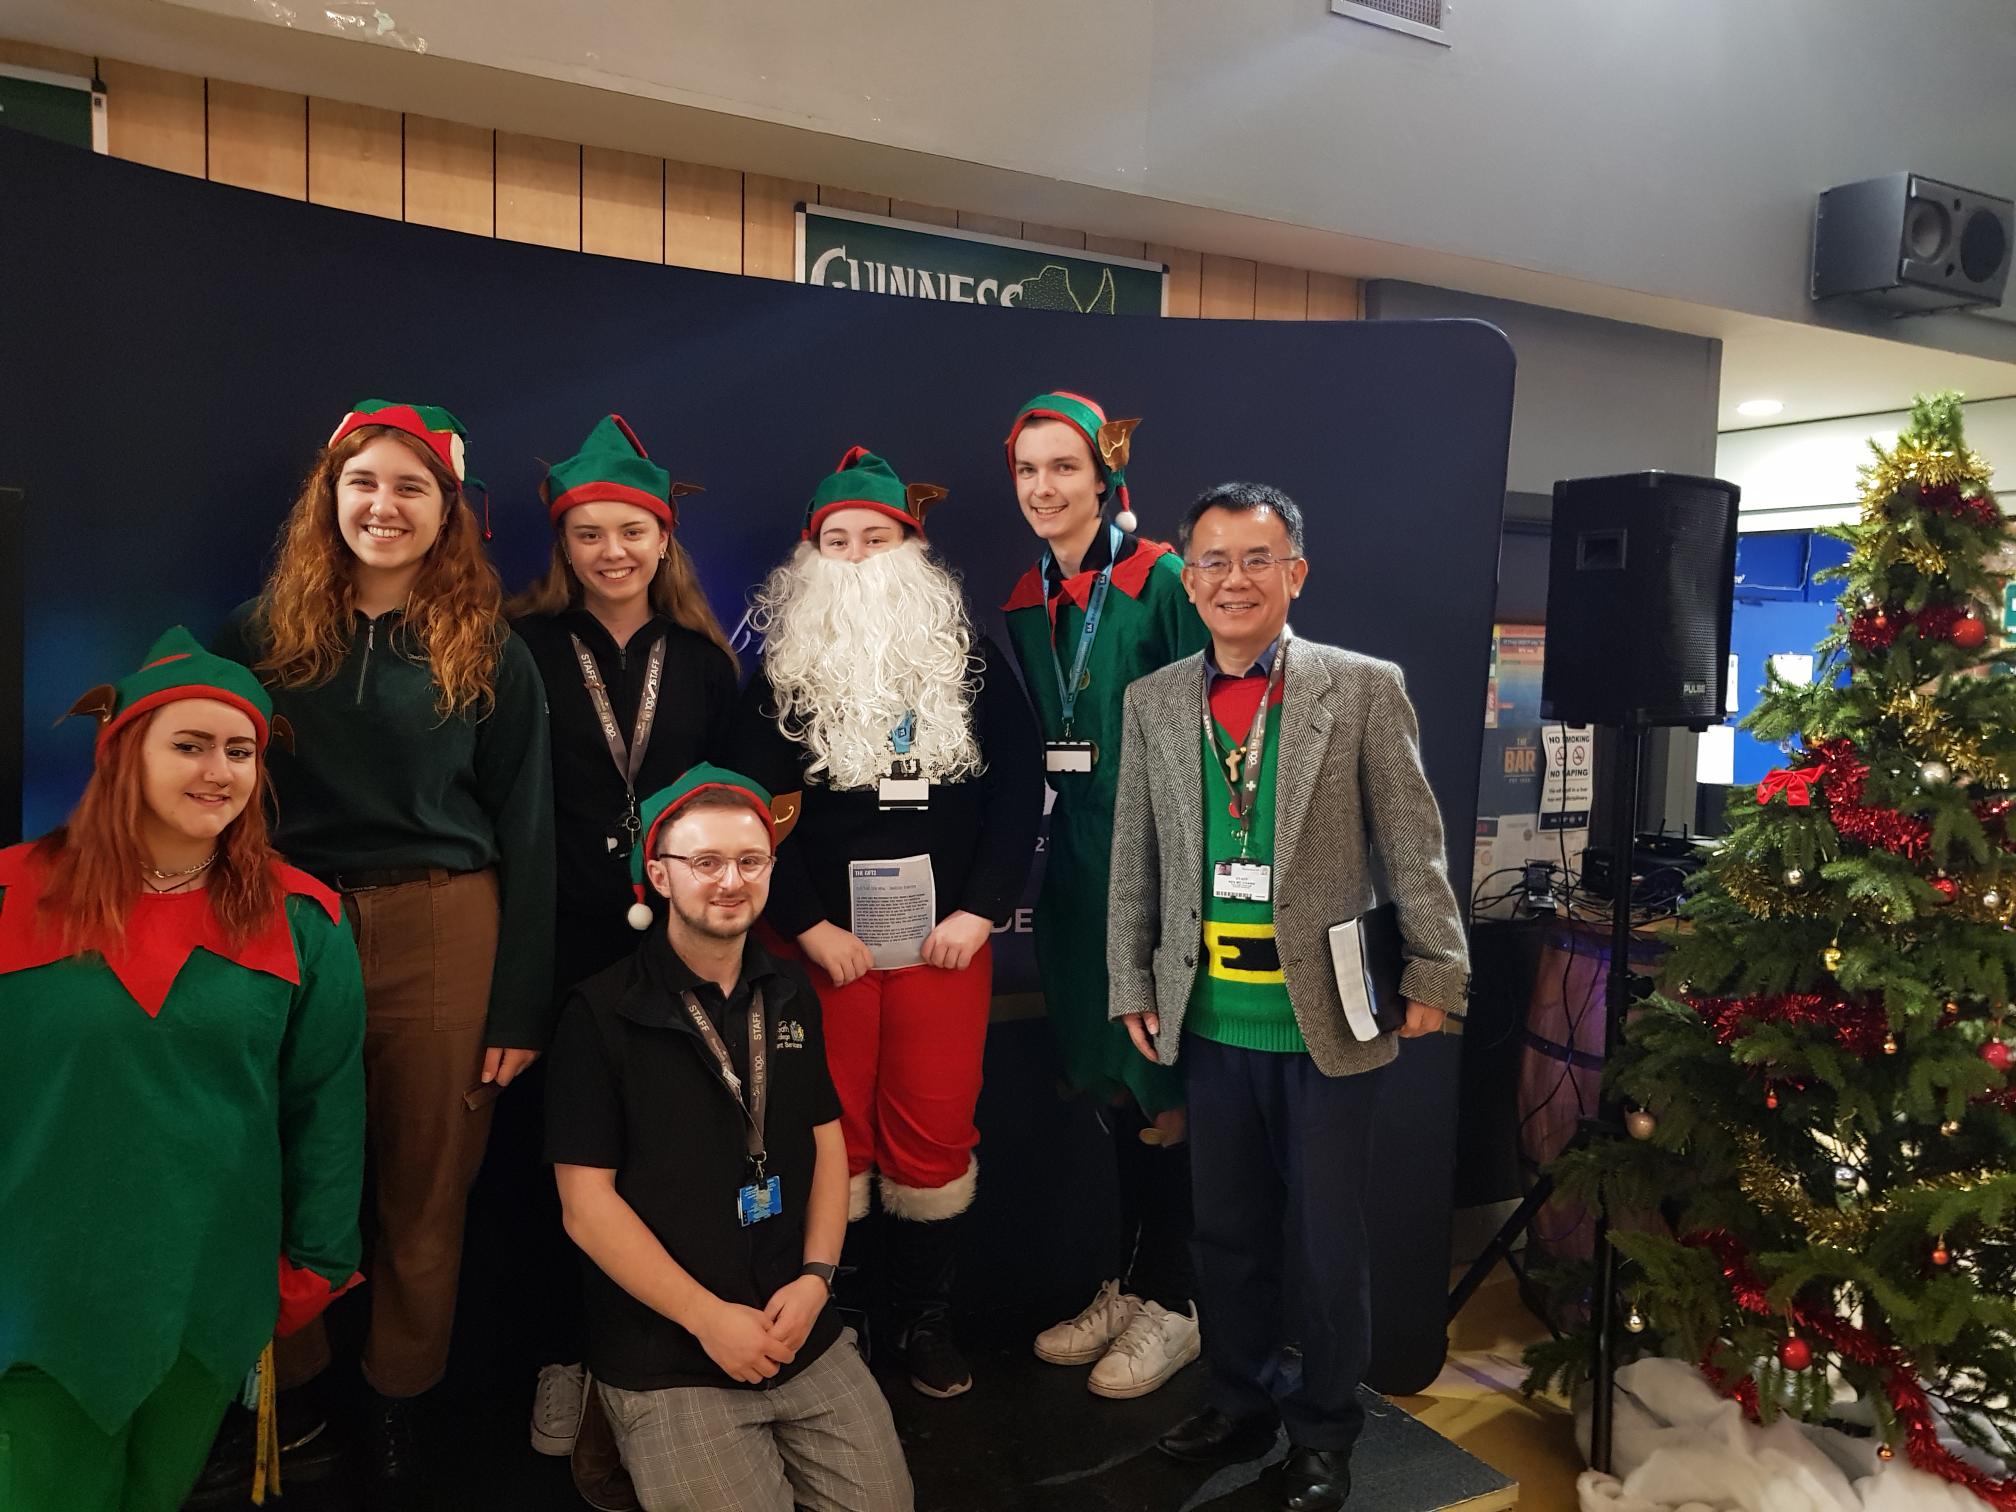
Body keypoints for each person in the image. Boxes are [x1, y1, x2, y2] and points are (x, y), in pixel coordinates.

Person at [213, 399, 557, 1490]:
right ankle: (300, 1392)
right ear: (330, 495)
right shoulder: (257, 635)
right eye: (364, 482)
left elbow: (531, 831)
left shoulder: (488, 646)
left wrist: (516, 1008)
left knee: (424, 1188)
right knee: (282, 1169)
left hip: (444, 921)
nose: (384, 505)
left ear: (448, 511)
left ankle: (399, 1402)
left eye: (412, 487)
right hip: (293, 920)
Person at [1105, 482, 1469, 1512]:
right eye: (1212, 560)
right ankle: (1239, 1398)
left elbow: (1413, 842)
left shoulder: (1360, 688)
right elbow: (1135, 856)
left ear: (1295, 573)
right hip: (1210, 1020)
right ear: (1188, 574)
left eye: (1256, 559)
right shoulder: (1155, 700)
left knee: (1324, 1242)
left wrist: (1437, 973)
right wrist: (1132, 976)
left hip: (1328, 1022)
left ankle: (1323, 1428)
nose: (1233, 579)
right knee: (1224, 1235)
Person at [0, 628, 365, 1512]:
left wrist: (313, 1265)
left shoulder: (304, 921)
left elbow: (327, 1107)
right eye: (190, 745)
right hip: (37, 1294)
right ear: (125, 752)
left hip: (208, 1294)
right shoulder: (11, 895)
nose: (219, 771)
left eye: (239, 750)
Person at [724, 446, 1043, 1399]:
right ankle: (844, 1323)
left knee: (935, 1132)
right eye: (838, 540)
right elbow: (749, 806)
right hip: (820, 947)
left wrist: (984, 907)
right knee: (830, 1135)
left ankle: (924, 1322)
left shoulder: (968, 658)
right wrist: (808, 923)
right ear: (811, 553)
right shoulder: (779, 671)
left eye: (875, 538)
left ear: (912, 547)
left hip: (945, 948)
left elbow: (1018, 790)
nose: (857, 556)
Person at [547, 764, 914, 1512]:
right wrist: (708, 1319)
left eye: (750, 861)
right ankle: (607, 1413)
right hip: (670, 1346)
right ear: (658, 873)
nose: (730, 881)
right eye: (705, 862)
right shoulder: (599, 1013)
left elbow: (826, 1143)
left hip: (795, 1323)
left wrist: (817, 1279)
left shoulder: (789, 991)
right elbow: (586, 1207)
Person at [509, 413, 739, 1491]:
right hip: (560, 948)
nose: (612, 552)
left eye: (632, 533)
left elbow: (744, 805)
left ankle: (648, 1352)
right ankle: (564, 1355)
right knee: (562, 1163)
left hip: (677, 949)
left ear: (663, 541)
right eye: (589, 533)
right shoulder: (522, 648)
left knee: (671, 1155)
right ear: (563, 544)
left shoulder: (701, 660)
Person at [999, 390, 1212, 1398]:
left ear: (1103, 475)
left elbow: (1213, 731)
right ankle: (1131, 1282)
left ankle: (1180, 1300)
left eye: (1063, 469)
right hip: (1081, 865)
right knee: (1112, 1081)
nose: (1044, 489)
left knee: (1168, 1087)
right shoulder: (1024, 599)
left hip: (1165, 859)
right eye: (1028, 471)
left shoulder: (1162, 580)